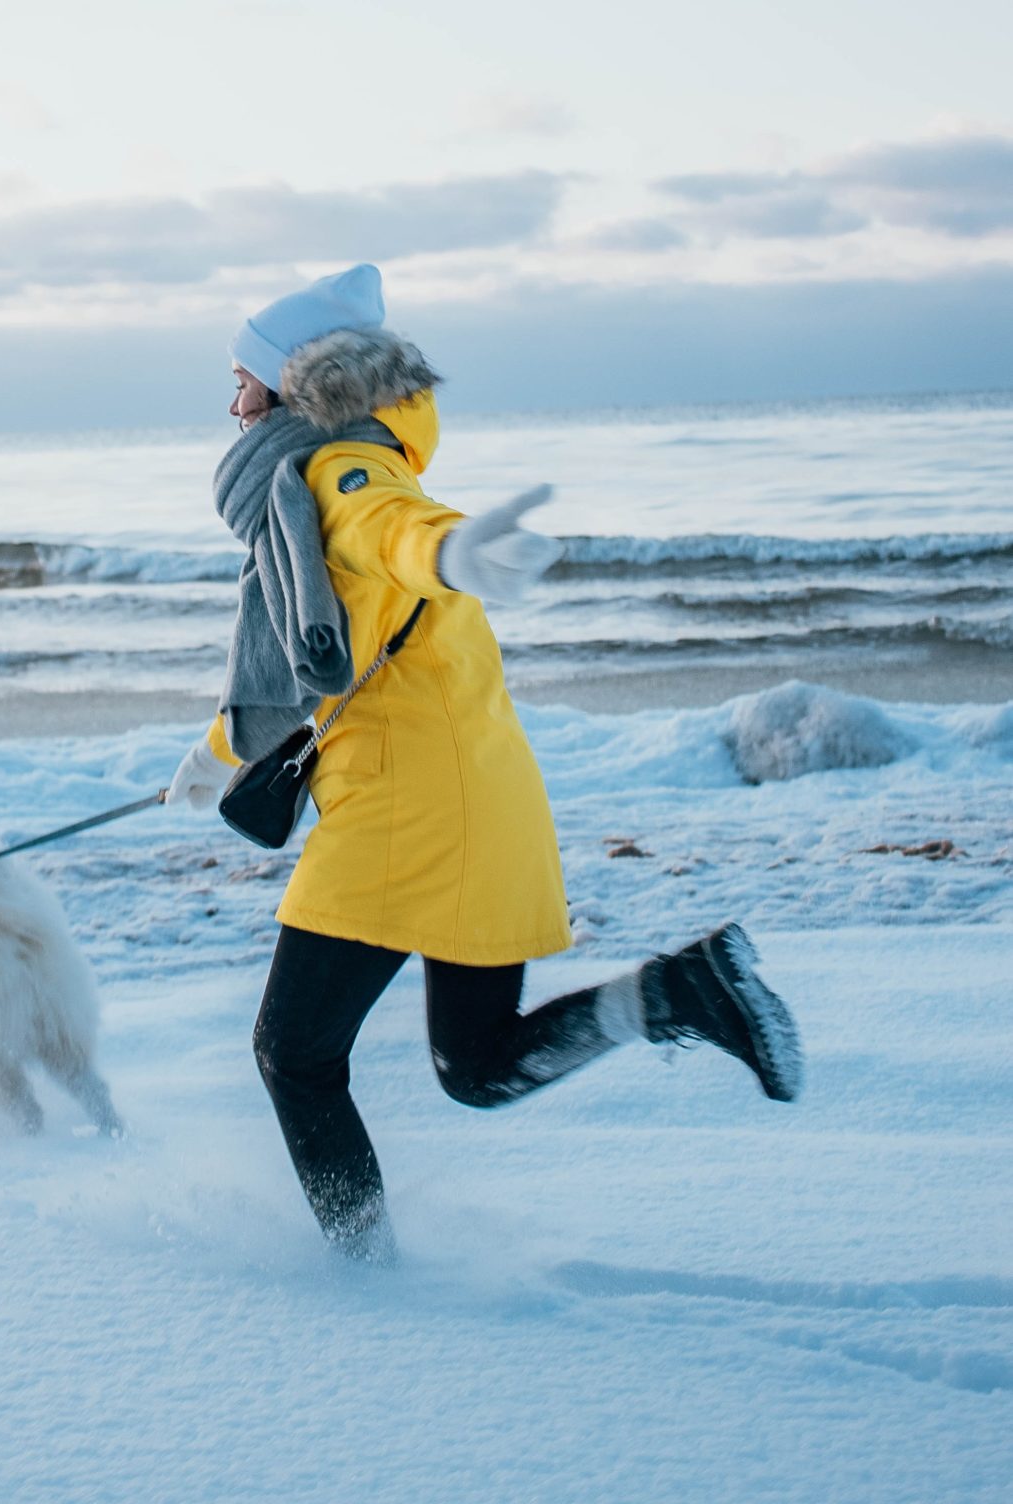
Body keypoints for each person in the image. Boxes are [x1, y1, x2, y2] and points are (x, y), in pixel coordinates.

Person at [167, 263, 802, 1262]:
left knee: (290, 1054)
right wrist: (216, 756)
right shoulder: (327, 476)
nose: (229, 399)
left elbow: (393, 534)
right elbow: (317, 658)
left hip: (406, 809)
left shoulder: (337, 469)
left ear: (290, 386)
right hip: (475, 797)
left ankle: (363, 1269)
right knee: (474, 1063)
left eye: (239, 377)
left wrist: (454, 554)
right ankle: (677, 994)